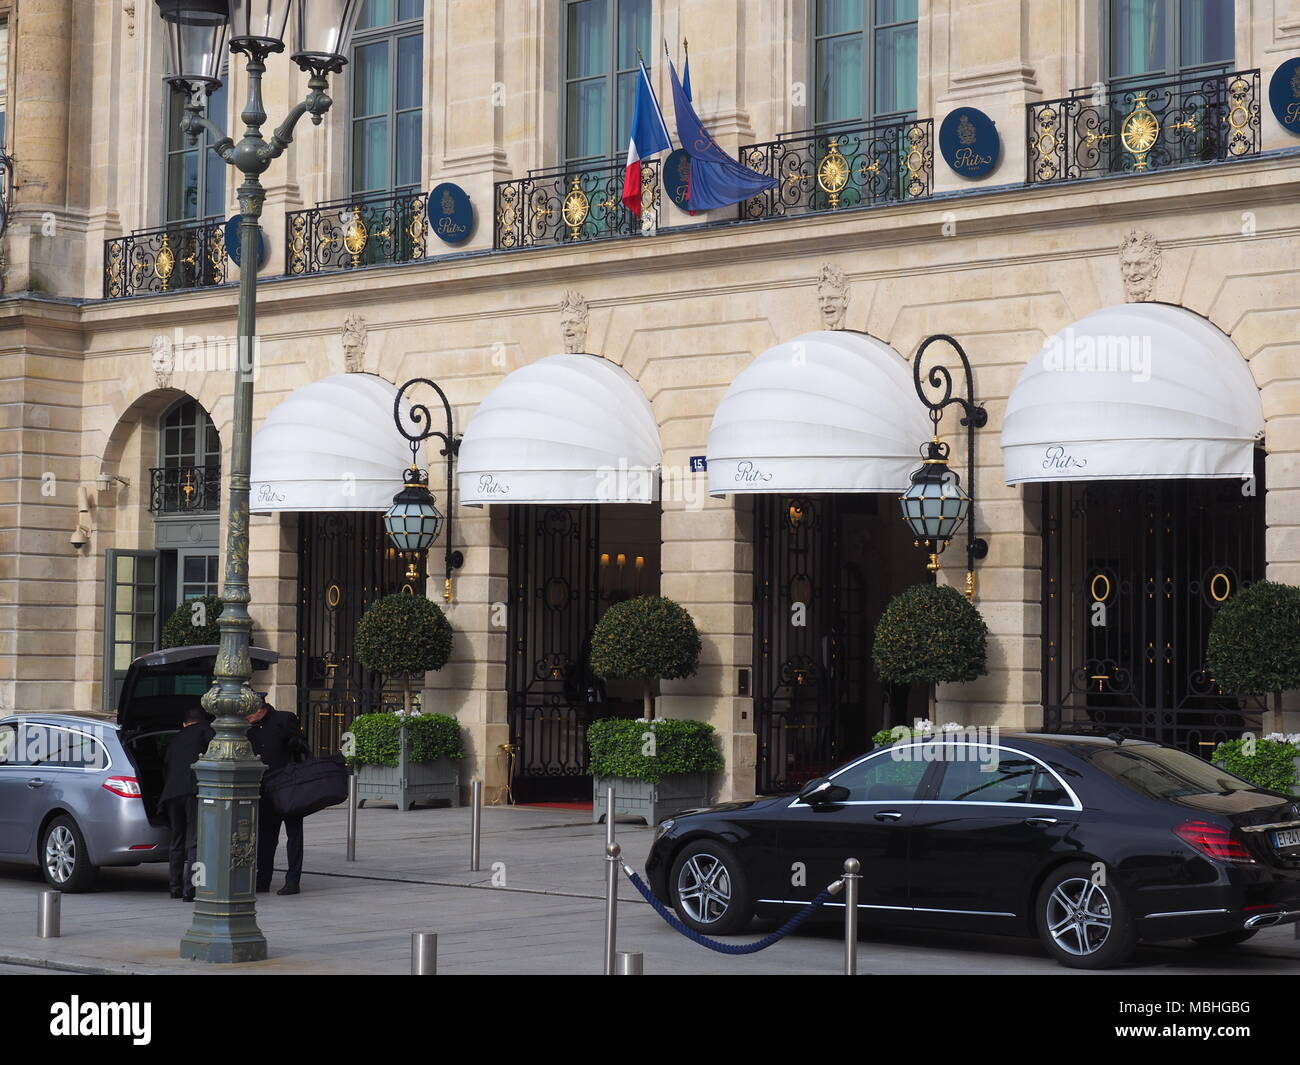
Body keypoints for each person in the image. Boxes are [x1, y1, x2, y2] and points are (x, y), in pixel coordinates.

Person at [246, 695, 310, 896]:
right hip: (265, 790)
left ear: (261, 709)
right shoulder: (248, 729)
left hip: (289, 786)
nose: (247, 717)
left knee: (294, 836)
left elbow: (302, 748)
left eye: (250, 713)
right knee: (266, 837)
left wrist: (295, 745)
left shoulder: (284, 719)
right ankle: (263, 880)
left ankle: (293, 881)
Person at [158, 706, 214, 901]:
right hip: (193, 791)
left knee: (177, 840)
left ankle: (174, 887)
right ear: (202, 721)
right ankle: (191, 889)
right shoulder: (206, 731)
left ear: (184, 724)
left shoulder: (175, 738)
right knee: (195, 840)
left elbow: (165, 767)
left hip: (172, 794)